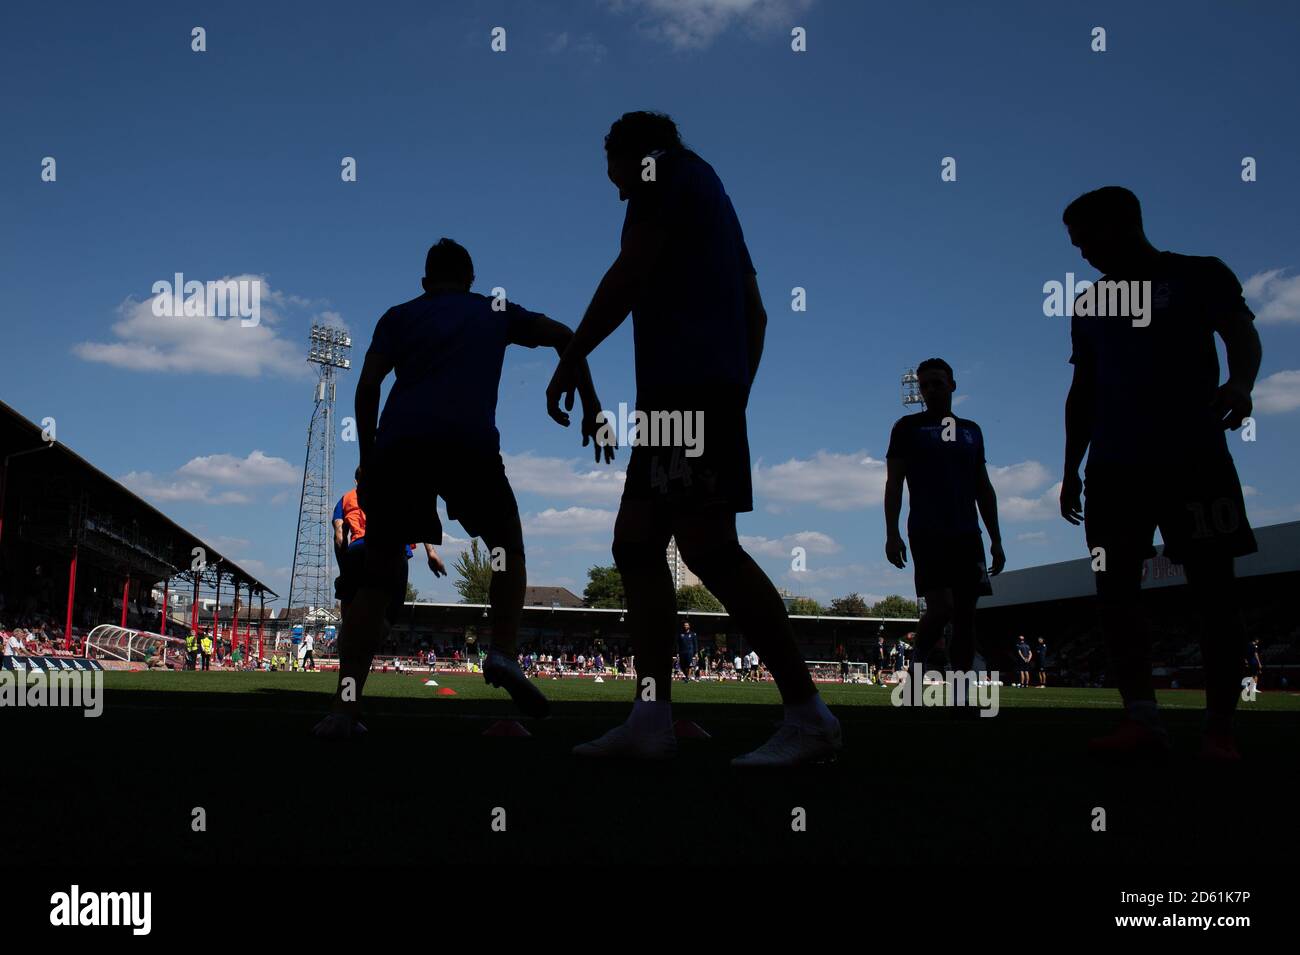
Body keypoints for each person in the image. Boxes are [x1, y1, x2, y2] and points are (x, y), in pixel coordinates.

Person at [315, 237, 608, 739]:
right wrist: (591, 405)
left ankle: (344, 711)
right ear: (472, 279)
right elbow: (565, 334)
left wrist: (369, 457)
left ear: (425, 280)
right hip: (469, 446)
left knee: (378, 578)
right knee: (505, 547)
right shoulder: (493, 310)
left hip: (401, 445)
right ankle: (503, 652)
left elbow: (367, 388)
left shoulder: (399, 316)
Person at [1058, 186, 1261, 760]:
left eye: (1088, 240)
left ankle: (1220, 729)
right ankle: (1142, 720)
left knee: (1214, 591)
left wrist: (1242, 383)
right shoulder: (1090, 303)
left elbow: (1242, 335)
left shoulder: (1200, 275)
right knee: (1115, 591)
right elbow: (1083, 390)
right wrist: (1071, 468)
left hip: (1193, 457)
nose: (1083, 255)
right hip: (1115, 468)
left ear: (1124, 226)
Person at [884, 357, 1005, 704]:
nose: (930, 390)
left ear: (953, 385)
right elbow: (894, 484)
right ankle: (918, 665)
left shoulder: (971, 430)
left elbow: (983, 486)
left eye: (937, 382)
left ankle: (962, 693)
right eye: (924, 385)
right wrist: (892, 532)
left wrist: (996, 538)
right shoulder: (906, 428)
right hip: (927, 531)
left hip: (968, 533)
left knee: (967, 615)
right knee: (941, 608)